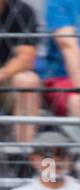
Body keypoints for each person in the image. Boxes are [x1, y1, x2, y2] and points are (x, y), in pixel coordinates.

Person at [0, 0, 39, 148]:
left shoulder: (21, 10)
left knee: (27, 81)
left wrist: (2, 74)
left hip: (8, 79)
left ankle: (23, 152)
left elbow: (26, 57)